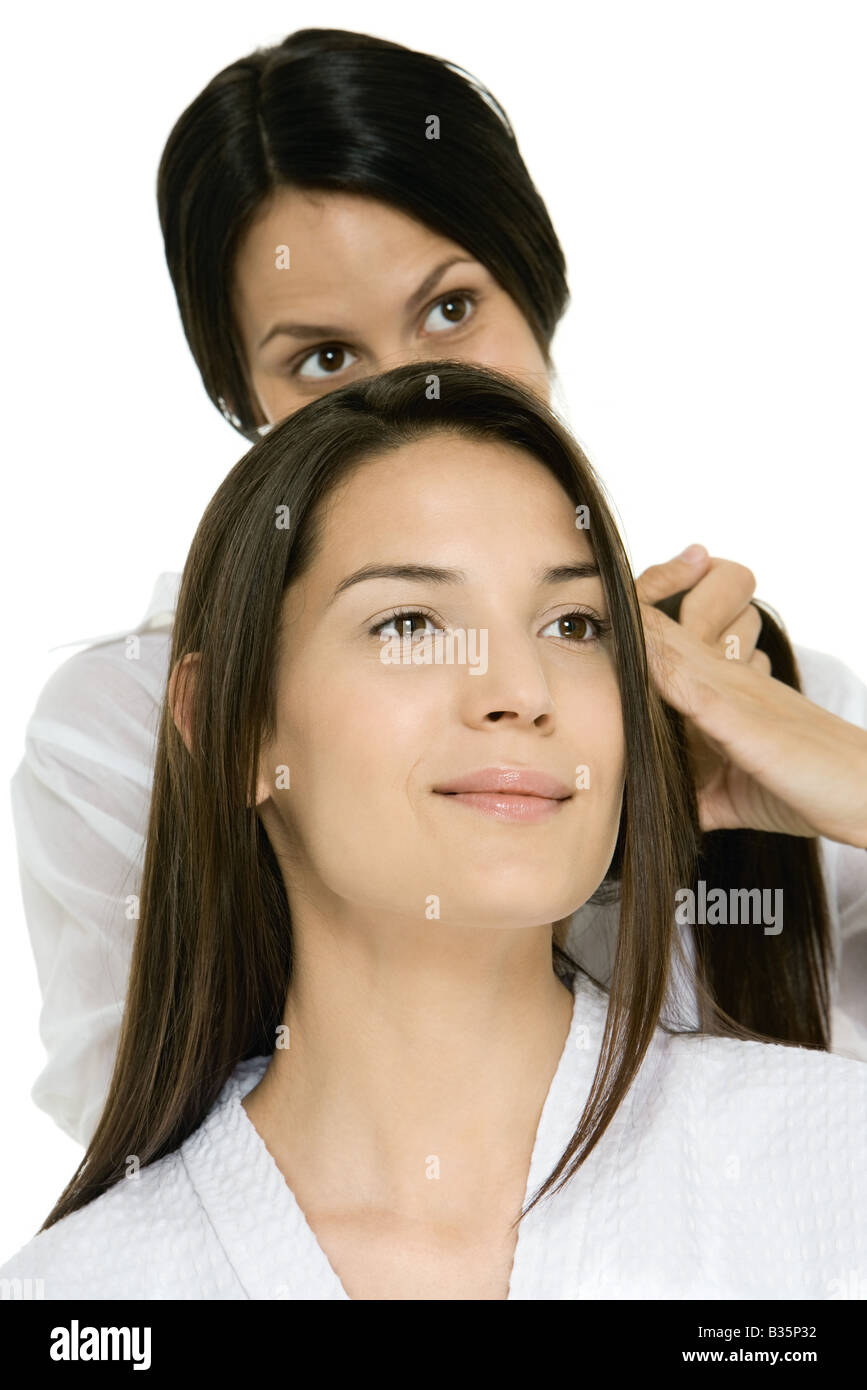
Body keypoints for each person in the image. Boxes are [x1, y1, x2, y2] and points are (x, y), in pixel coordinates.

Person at [11, 28, 867, 1155]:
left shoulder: (751, 704)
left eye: (452, 309)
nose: (415, 389)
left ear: (539, 292)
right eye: (322, 359)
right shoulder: (134, 727)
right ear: (243, 403)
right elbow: (151, 1155)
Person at [2, 361, 865, 1300]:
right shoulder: (86, 1296)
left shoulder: (829, 1168)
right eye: (410, 621)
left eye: (573, 627)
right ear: (230, 727)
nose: (520, 693)